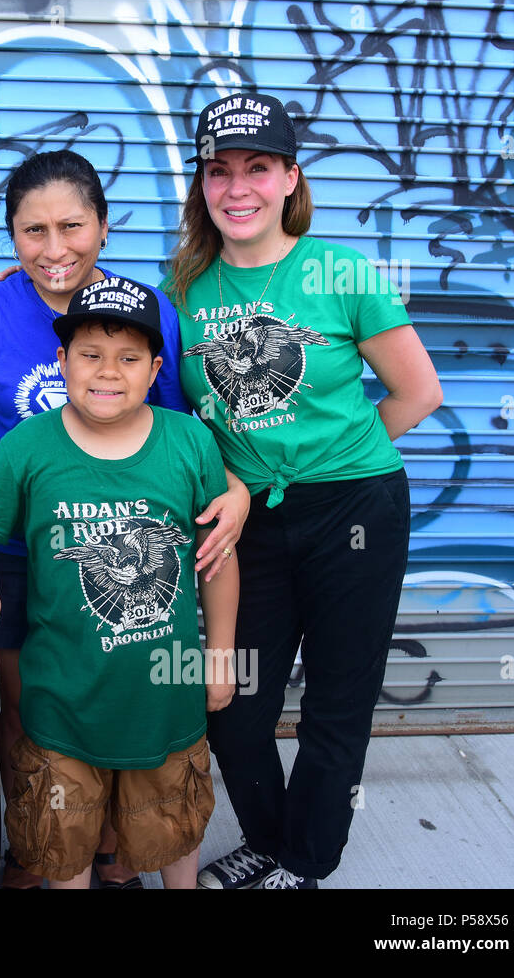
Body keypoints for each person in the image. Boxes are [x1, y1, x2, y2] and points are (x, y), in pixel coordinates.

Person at [168, 92, 443, 889]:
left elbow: (416, 392)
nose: (239, 188)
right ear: (203, 186)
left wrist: (331, 455)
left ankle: (304, 861)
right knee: (234, 702)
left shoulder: (340, 272)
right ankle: (270, 833)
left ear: (291, 178)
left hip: (356, 508)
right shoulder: (183, 289)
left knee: (335, 702)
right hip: (243, 518)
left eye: (259, 168)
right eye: (220, 171)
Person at [0, 276, 239, 888]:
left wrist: (219, 658)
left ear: (155, 368)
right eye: (90, 354)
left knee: (176, 830)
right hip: (60, 706)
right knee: (63, 848)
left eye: (129, 358)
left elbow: (218, 560)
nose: (108, 372)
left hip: (165, 705)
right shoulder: (28, 446)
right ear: (61, 361)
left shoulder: (190, 443)